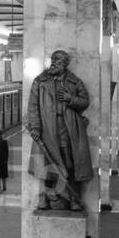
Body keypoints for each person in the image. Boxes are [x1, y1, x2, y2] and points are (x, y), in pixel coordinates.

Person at [25, 49, 93, 211]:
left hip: (69, 129)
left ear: (65, 64)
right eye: (53, 60)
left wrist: (71, 99)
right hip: (48, 129)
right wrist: (35, 127)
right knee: (48, 164)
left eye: (58, 61)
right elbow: (33, 107)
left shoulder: (74, 82)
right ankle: (49, 196)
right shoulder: (40, 82)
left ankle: (73, 198)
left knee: (71, 163)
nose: (54, 63)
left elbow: (85, 102)